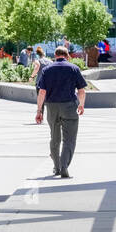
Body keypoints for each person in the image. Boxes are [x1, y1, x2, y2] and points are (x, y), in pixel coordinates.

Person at [35, 46, 87, 178]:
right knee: (69, 139)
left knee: (55, 138)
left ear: (55, 55)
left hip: (52, 107)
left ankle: (56, 167)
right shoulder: (73, 68)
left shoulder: (47, 70)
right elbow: (81, 90)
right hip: (69, 106)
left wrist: (39, 111)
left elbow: (42, 92)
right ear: (67, 55)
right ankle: (64, 166)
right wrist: (81, 105)